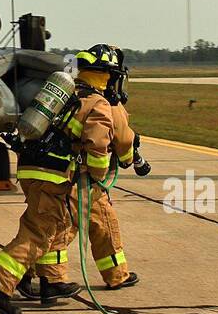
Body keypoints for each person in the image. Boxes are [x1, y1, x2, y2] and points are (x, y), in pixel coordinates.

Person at [0, 44, 124, 314]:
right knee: (38, 234)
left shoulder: (66, 94)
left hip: (31, 172)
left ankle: (43, 282)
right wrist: (97, 178)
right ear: (104, 75)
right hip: (55, 178)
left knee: (45, 228)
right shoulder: (98, 105)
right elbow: (97, 147)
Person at [21, 45, 141, 296]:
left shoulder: (66, 94)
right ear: (109, 75)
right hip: (77, 178)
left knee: (50, 223)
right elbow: (122, 144)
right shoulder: (105, 103)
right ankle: (48, 281)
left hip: (39, 168)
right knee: (60, 227)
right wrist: (126, 161)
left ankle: (116, 274)